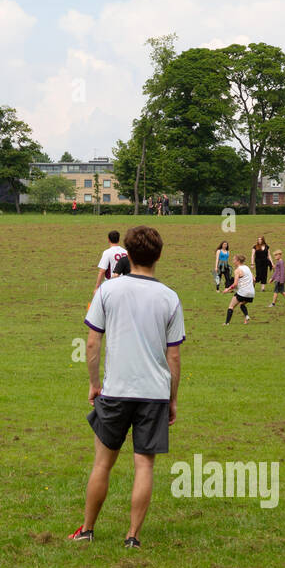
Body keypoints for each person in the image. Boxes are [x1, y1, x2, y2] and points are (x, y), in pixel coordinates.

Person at [70, 225, 184, 548]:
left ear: (127, 255)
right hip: (154, 394)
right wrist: (172, 398)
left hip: (115, 391)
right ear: (158, 256)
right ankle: (132, 537)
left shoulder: (108, 291)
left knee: (103, 463)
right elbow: (173, 357)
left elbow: (92, 344)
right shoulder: (170, 298)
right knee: (144, 465)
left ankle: (88, 530)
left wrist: (94, 384)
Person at [223, 254, 255, 325]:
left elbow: (235, 284)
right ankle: (246, 316)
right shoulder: (247, 267)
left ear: (238, 261)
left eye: (234, 260)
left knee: (231, 306)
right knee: (241, 304)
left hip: (243, 292)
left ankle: (226, 323)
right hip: (251, 293)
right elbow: (254, 279)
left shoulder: (237, 270)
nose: (233, 261)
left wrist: (227, 289)